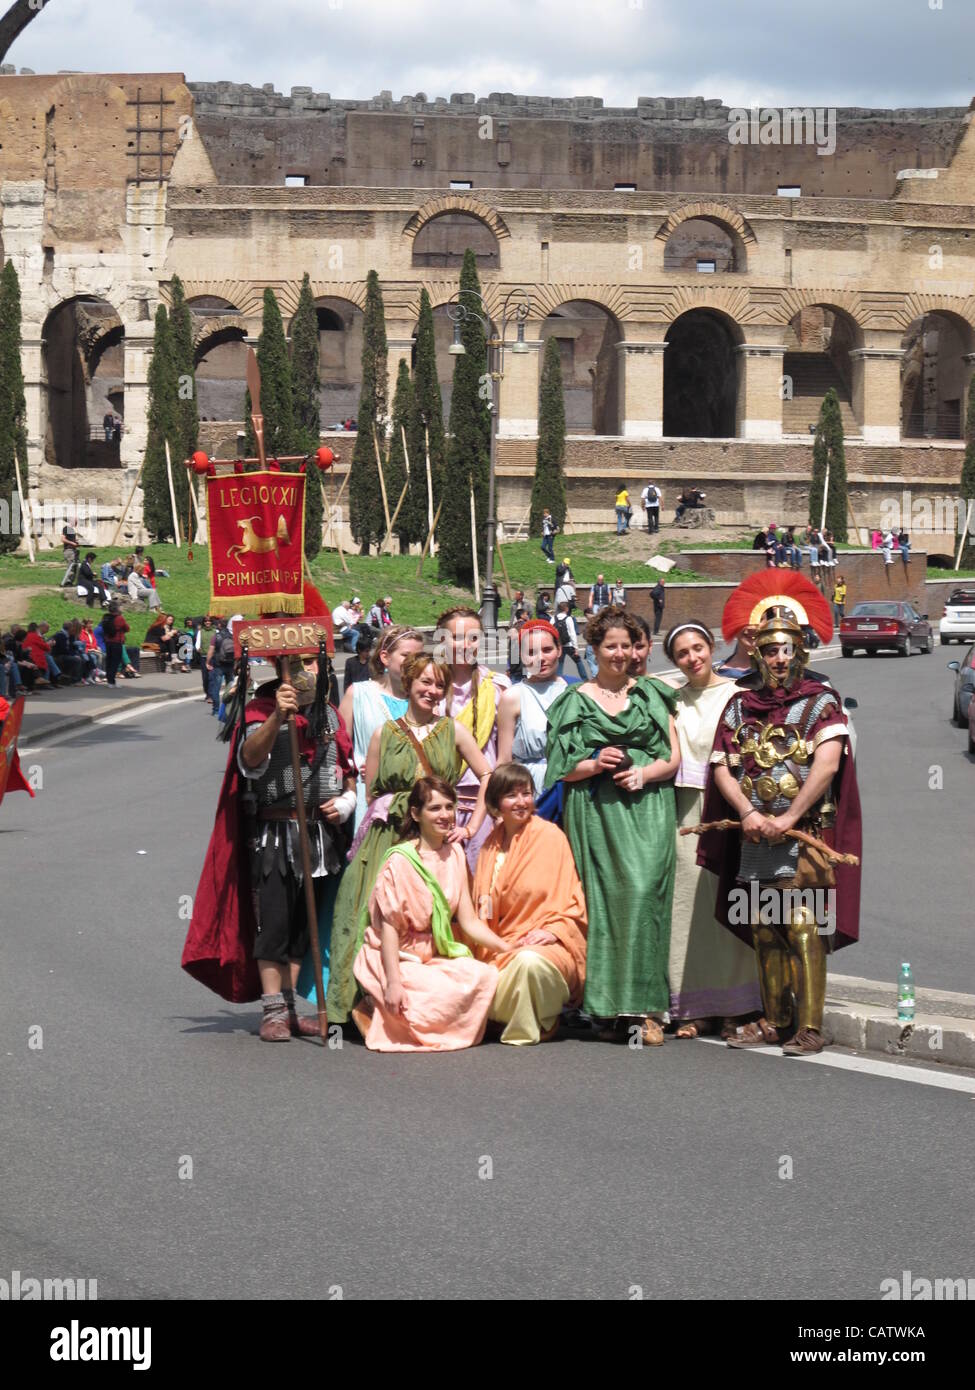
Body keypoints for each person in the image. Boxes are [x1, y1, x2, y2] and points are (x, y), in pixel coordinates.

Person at [698, 570, 862, 1056]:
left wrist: (790, 818)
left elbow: (828, 763)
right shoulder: (740, 704)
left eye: (786, 647)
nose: (778, 657)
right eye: (769, 649)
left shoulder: (821, 701)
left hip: (804, 831)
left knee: (804, 925)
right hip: (755, 834)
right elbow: (723, 767)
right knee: (765, 926)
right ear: (758, 652)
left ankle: (809, 1027)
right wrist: (748, 812)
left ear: (800, 649)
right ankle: (776, 1019)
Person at [182, 598, 357, 1039]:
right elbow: (249, 761)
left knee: (304, 923)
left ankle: (294, 1004)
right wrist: (279, 715)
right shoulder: (260, 711)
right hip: (276, 830)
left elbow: (349, 772)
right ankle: (272, 1009)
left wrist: (348, 801)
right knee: (275, 920)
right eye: (295, 665)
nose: (305, 673)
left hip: (320, 833)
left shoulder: (331, 715)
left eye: (310, 665)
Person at [326, 652, 492, 1024]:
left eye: (440, 685)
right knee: (370, 917)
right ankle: (363, 1003)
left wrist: (470, 825)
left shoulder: (454, 731)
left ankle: (433, 1007)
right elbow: (372, 795)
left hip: (436, 837)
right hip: (387, 840)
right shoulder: (384, 733)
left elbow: (487, 776)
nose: (433, 691)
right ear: (410, 683)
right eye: (426, 683)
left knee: (432, 921)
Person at [544, 607, 680, 1045]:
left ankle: (645, 1008)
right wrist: (594, 762)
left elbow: (673, 758)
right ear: (594, 649)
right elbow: (560, 769)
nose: (619, 653)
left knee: (644, 896)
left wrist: (644, 773)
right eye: (610, 646)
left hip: (647, 807)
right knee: (602, 904)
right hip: (596, 808)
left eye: (627, 645)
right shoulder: (574, 699)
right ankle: (605, 1008)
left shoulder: (654, 693)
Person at [351, 777, 507, 1051]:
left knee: (483, 975)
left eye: (449, 807)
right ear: (416, 814)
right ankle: (372, 1006)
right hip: (396, 957)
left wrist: (507, 947)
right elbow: (388, 931)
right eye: (435, 808)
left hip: (432, 954)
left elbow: (469, 922)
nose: (445, 815)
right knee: (436, 995)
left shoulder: (456, 853)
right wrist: (392, 983)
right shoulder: (399, 860)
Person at [663, 622, 764, 1041]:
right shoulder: (670, 700)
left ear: (710, 648)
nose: (693, 658)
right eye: (682, 653)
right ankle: (694, 1006)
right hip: (686, 813)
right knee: (687, 909)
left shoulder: (739, 696)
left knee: (732, 904)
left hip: (730, 806)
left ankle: (738, 1007)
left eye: (698, 648)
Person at [469, 764, 588, 1045]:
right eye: (511, 795)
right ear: (496, 804)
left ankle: (535, 1022)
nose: (521, 802)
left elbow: (574, 900)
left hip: (546, 945)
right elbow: (481, 908)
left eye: (526, 793)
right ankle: (500, 1017)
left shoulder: (551, 837)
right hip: (499, 946)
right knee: (464, 973)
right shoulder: (489, 846)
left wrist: (554, 930)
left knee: (528, 963)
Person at [436, 606, 511, 867]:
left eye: (473, 637)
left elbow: (504, 755)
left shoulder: (498, 686)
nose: (465, 644)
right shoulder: (429, 686)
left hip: (484, 800)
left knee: (482, 879)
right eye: (456, 637)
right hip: (439, 801)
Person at [337, 623, 425, 830]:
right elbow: (340, 751)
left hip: (416, 798)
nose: (414, 663)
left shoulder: (427, 699)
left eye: (419, 656)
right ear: (385, 657)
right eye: (406, 655)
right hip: (369, 797)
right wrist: (344, 789)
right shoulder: (358, 694)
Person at [496, 620, 567, 799]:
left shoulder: (574, 689)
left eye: (547, 650)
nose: (540, 658)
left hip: (569, 784)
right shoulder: (512, 696)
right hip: (528, 789)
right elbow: (504, 760)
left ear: (559, 650)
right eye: (531, 652)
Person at [554, 600, 591, 680]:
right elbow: (572, 634)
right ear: (566, 609)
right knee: (578, 662)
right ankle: (585, 679)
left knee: (560, 663)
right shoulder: (568, 619)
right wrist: (576, 647)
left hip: (559, 645)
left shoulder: (553, 619)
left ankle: (558, 679)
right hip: (569, 645)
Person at [101, 601, 129, 686]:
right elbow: (127, 628)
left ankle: (109, 680)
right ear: (117, 608)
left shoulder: (105, 617)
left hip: (108, 641)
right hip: (116, 642)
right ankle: (112, 682)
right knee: (115, 662)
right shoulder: (120, 618)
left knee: (109, 661)